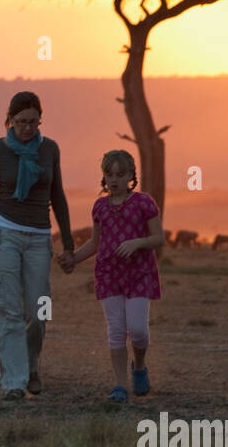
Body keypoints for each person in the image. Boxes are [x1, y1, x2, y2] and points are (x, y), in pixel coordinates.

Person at [0, 92, 74, 401]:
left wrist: (68, 244)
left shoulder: (50, 149)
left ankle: (31, 364)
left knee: (39, 310)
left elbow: (59, 197)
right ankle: (14, 381)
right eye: (21, 122)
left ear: (40, 120)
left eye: (33, 121)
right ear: (9, 120)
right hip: (4, 234)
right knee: (8, 309)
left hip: (40, 236)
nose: (27, 128)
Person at [67, 149, 164, 402]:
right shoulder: (99, 206)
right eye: (109, 174)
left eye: (120, 174)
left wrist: (136, 243)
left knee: (138, 330)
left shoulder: (144, 203)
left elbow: (158, 238)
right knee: (117, 330)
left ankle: (139, 366)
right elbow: (95, 243)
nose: (114, 180)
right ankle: (120, 386)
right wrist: (73, 259)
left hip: (139, 273)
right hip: (109, 274)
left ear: (132, 175)